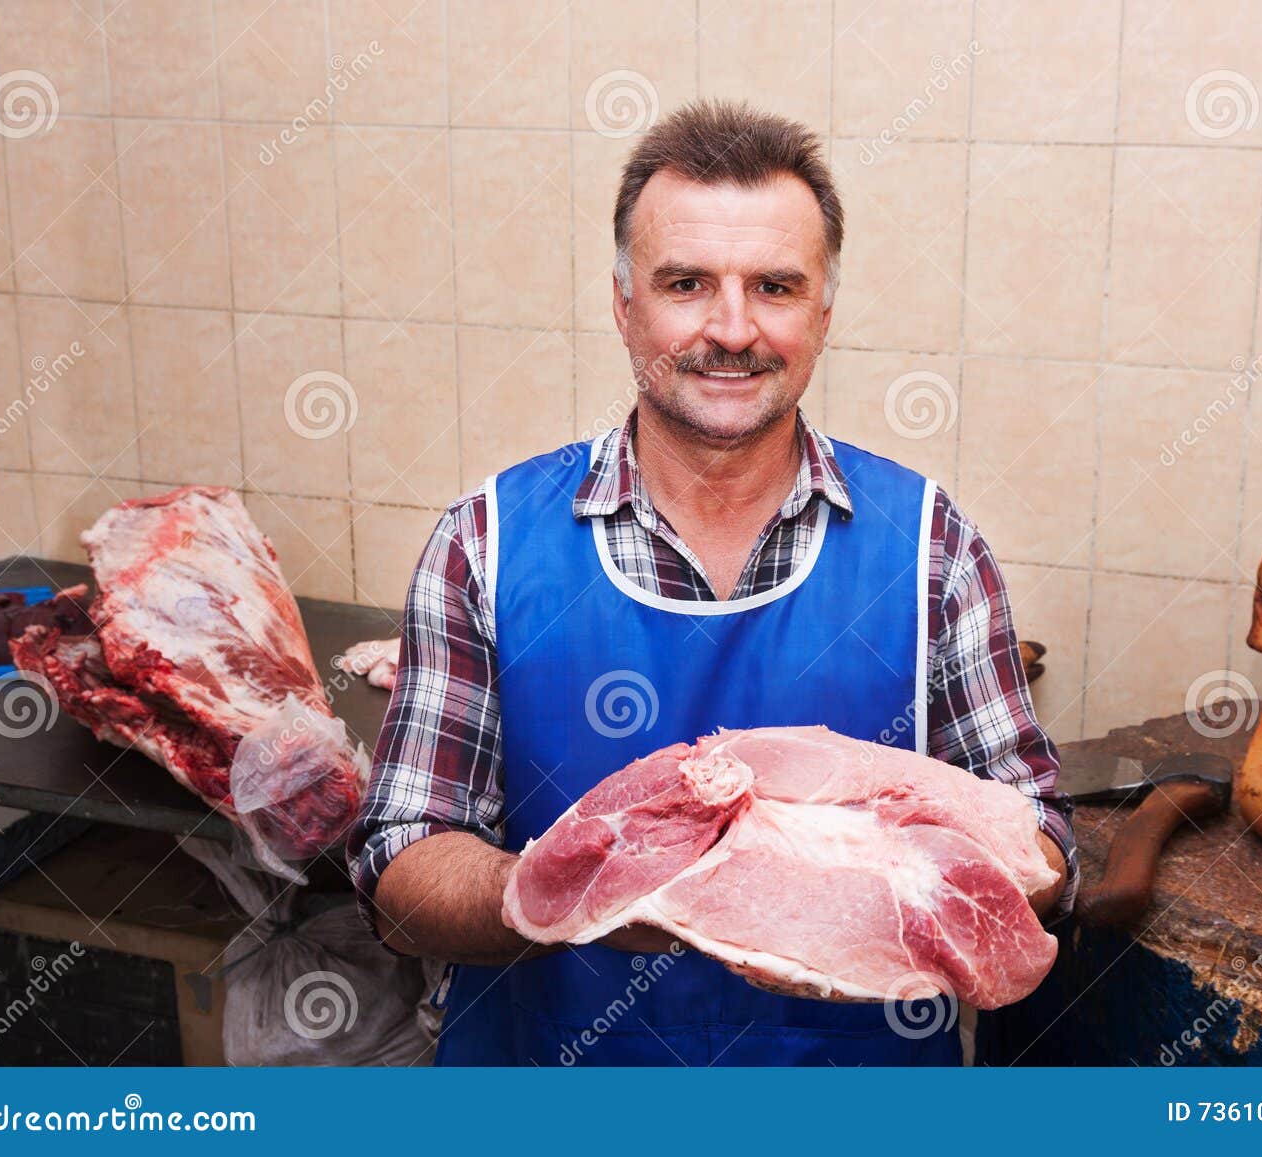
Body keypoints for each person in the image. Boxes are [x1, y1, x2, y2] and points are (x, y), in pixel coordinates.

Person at [349, 100, 1076, 1066]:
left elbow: (1039, 838)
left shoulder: (932, 549)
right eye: (686, 283)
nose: (732, 329)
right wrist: (573, 891)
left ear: (823, 310)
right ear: (623, 304)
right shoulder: (484, 543)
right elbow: (402, 861)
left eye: (775, 286)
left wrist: (836, 895)